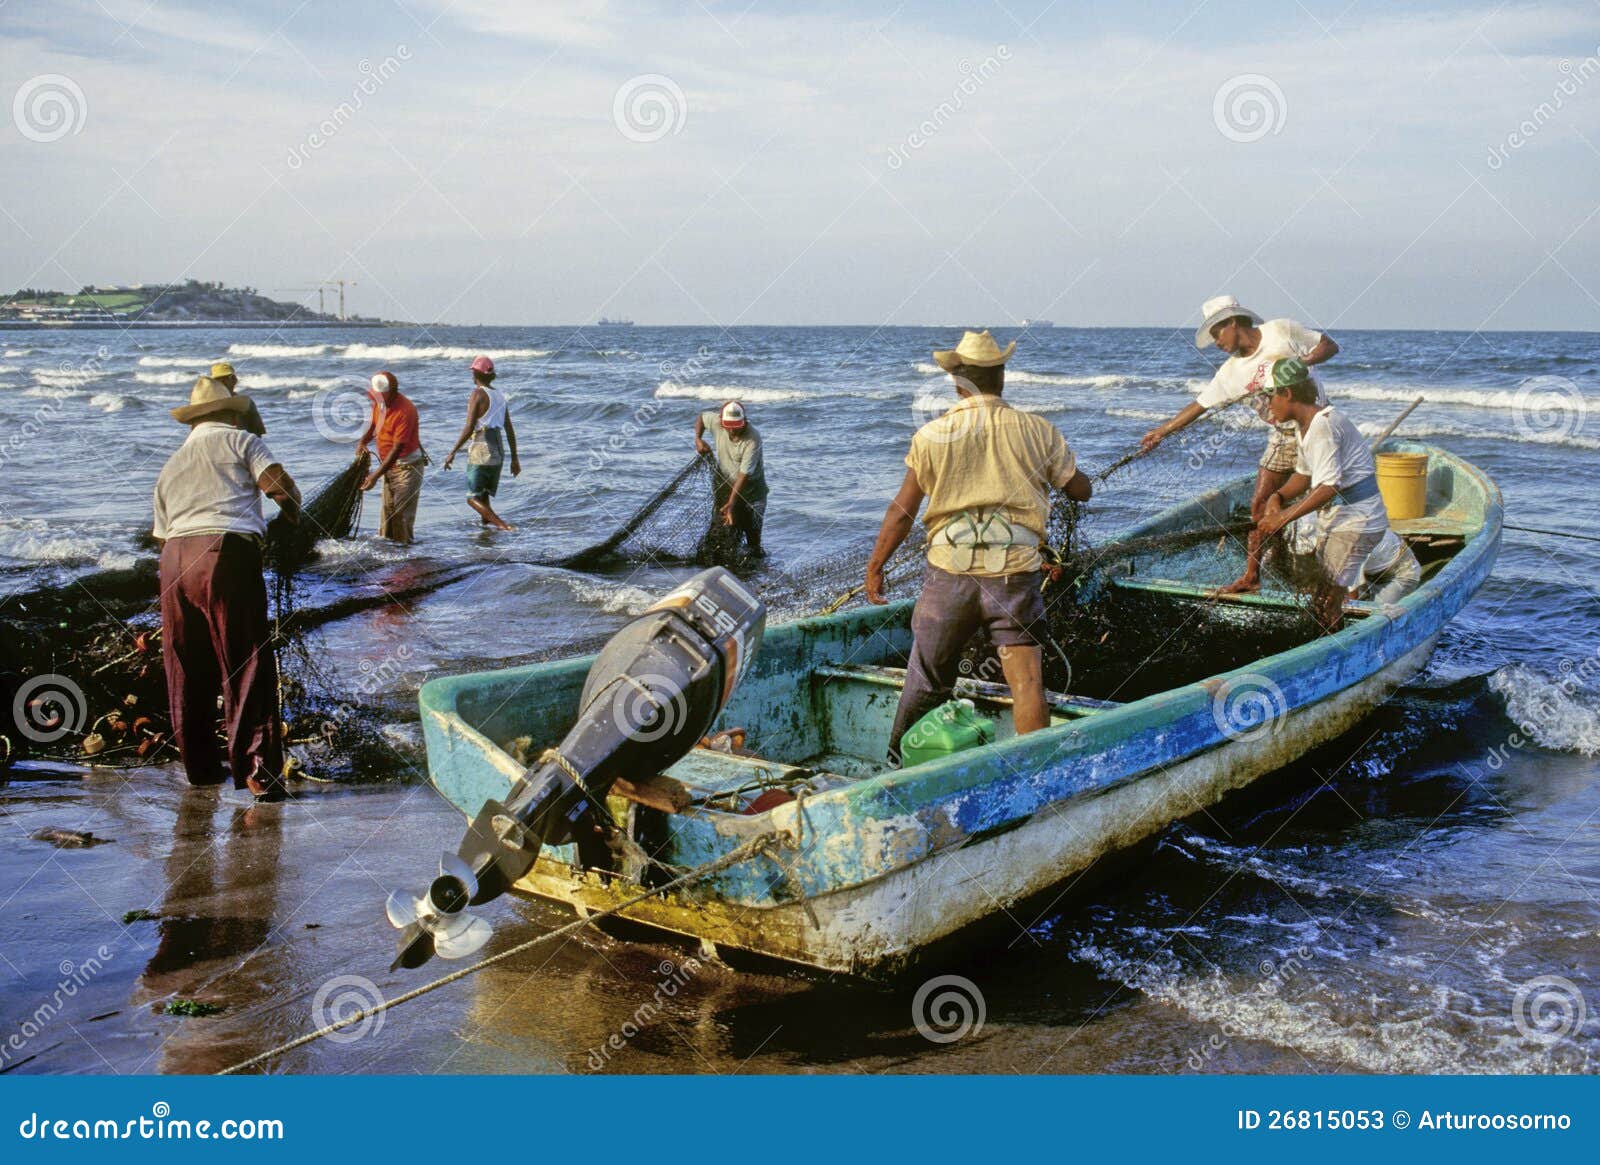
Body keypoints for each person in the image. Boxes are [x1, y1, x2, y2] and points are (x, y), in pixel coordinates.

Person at [864, 330, 1092, 765]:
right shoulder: (1038, 430)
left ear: (957, 382)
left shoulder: (932, 434)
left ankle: (896, 766)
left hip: (949, 574)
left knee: (928, 678)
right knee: (1026, 682)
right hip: (1013, 577)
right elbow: (1080, 490)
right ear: (1001, 378)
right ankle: (1033, 772)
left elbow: (901, 512)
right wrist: (1067, 477)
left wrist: (876, 567)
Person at [152, 377, 300, 802]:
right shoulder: (241, 442)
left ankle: (199, 770)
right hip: (223, 555)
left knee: (185, 666)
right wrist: (293, 515)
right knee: (246, 662)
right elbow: (279, 487)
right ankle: (258, 774)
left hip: (174, 564)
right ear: (233, 413)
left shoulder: (172, 462)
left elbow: (161, 537)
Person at [1141, 295, 1339, 579]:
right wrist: (1162, 431)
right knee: (1260, 503)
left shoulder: (1281, 330)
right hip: (1282, 434)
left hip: (1316, 424)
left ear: (1232, 322)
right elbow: (1199, 406)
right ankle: (1253, 576)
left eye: (1217, 333)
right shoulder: (1230, 373)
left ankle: (1331, 573)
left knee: (1325, 501)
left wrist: (1302, 362)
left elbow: (1329, 346)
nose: (1216, 343)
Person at [1249, 358, 1420, 627]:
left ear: (1287, 393)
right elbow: (1304, 475)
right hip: (1339, 519)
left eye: (1270, 397)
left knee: (1330, 600)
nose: (1268, 405)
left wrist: (1282, 518)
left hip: (1357, 521)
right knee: (1323, 596)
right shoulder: (1303, 426)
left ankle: (1336, 651)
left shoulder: (1323, 425)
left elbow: (1329, 487)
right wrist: (1277, 497)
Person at [441, 355, 520, 530]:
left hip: (482, 447)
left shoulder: (477, 394)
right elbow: (509, 428)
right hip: (498, 449)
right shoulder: (500, 395)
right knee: (484, 497)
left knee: (472, 498)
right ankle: (486, 538)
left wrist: (452, 451)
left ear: (476, 374)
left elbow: (469, 427)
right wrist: (515, 458)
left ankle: (503, 526)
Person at [356, 370, 425, 543]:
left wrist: (374, 476)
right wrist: (362, 442)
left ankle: (406, 556)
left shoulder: (405, 410)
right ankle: (391, 558)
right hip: (389, 467)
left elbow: (397, 449)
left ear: (393, 391)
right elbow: (373, 425)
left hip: (407, 468)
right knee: (388, 515)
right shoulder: (379, 405)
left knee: (401, 515)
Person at [694, 400, 768, 555]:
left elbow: (744, 475)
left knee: (753, 539)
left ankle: (754, 573)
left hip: (752, 495)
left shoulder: (753, 439)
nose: (733, 431)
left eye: (737, 426)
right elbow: (701, 417)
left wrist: (731, 503)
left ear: (744, 422)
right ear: (722, 422)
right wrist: (698, 439)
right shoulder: (717, 423)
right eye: (729, 426)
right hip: (725, 490)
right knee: (721, 533)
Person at [208, 361, 265, 436]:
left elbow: (258, 431)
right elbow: (258, 432)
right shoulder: (246, 402)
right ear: (234, 380)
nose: (222, 382)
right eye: (219, 379)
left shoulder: (205, 403)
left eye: (224, 379)